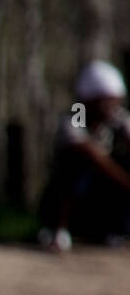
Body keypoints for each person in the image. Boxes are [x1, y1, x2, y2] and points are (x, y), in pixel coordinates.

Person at [39, 60, 130, 251]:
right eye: (107, 100)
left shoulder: (117, 119)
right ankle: (59, 230)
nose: (114, 106)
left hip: (102, 197)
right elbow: (91, 153)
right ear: (90, 100)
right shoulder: (76, 117)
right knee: (76, 165)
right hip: (71, 199)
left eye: (116, 100)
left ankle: (115, 230)